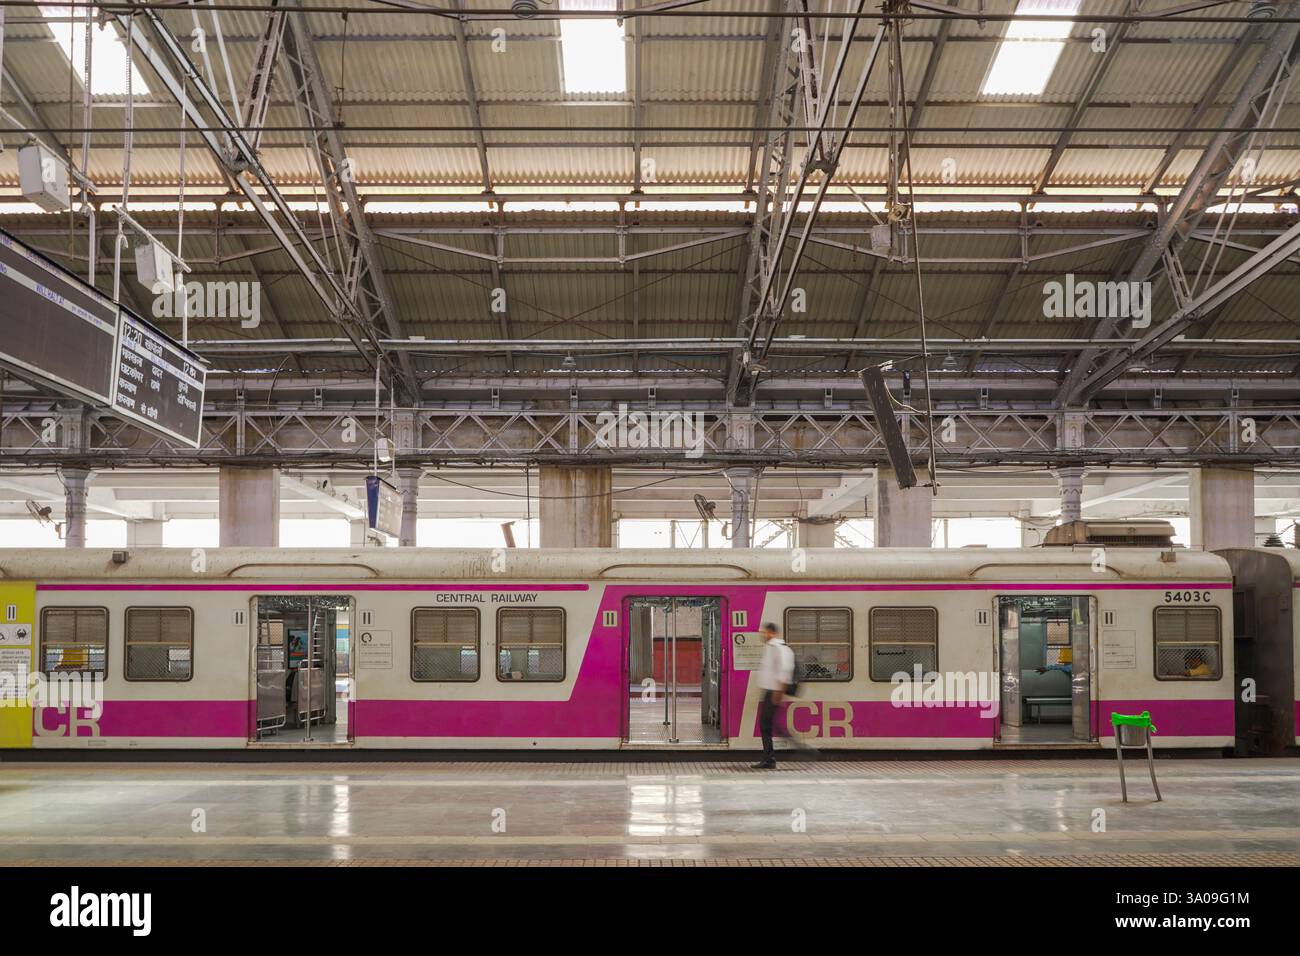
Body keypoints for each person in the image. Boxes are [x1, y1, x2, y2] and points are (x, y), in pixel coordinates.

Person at [752, 622, 795, 770]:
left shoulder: (779, 648)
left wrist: (778, 694)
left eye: (764, 632)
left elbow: (785, 670)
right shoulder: (770, 648)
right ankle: (769, 758)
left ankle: (770, 759)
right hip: (770, 691)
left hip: (774, 692)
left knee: (766, 725)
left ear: (771, 633)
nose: (763, 635)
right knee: (768, 725)